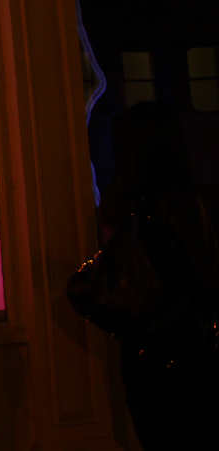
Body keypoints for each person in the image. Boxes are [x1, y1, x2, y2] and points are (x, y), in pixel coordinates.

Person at [98, 101, 219, 450]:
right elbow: (208, 278)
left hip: (138, 356)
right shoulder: (180, 201)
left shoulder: (116, 206)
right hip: (187, 354)